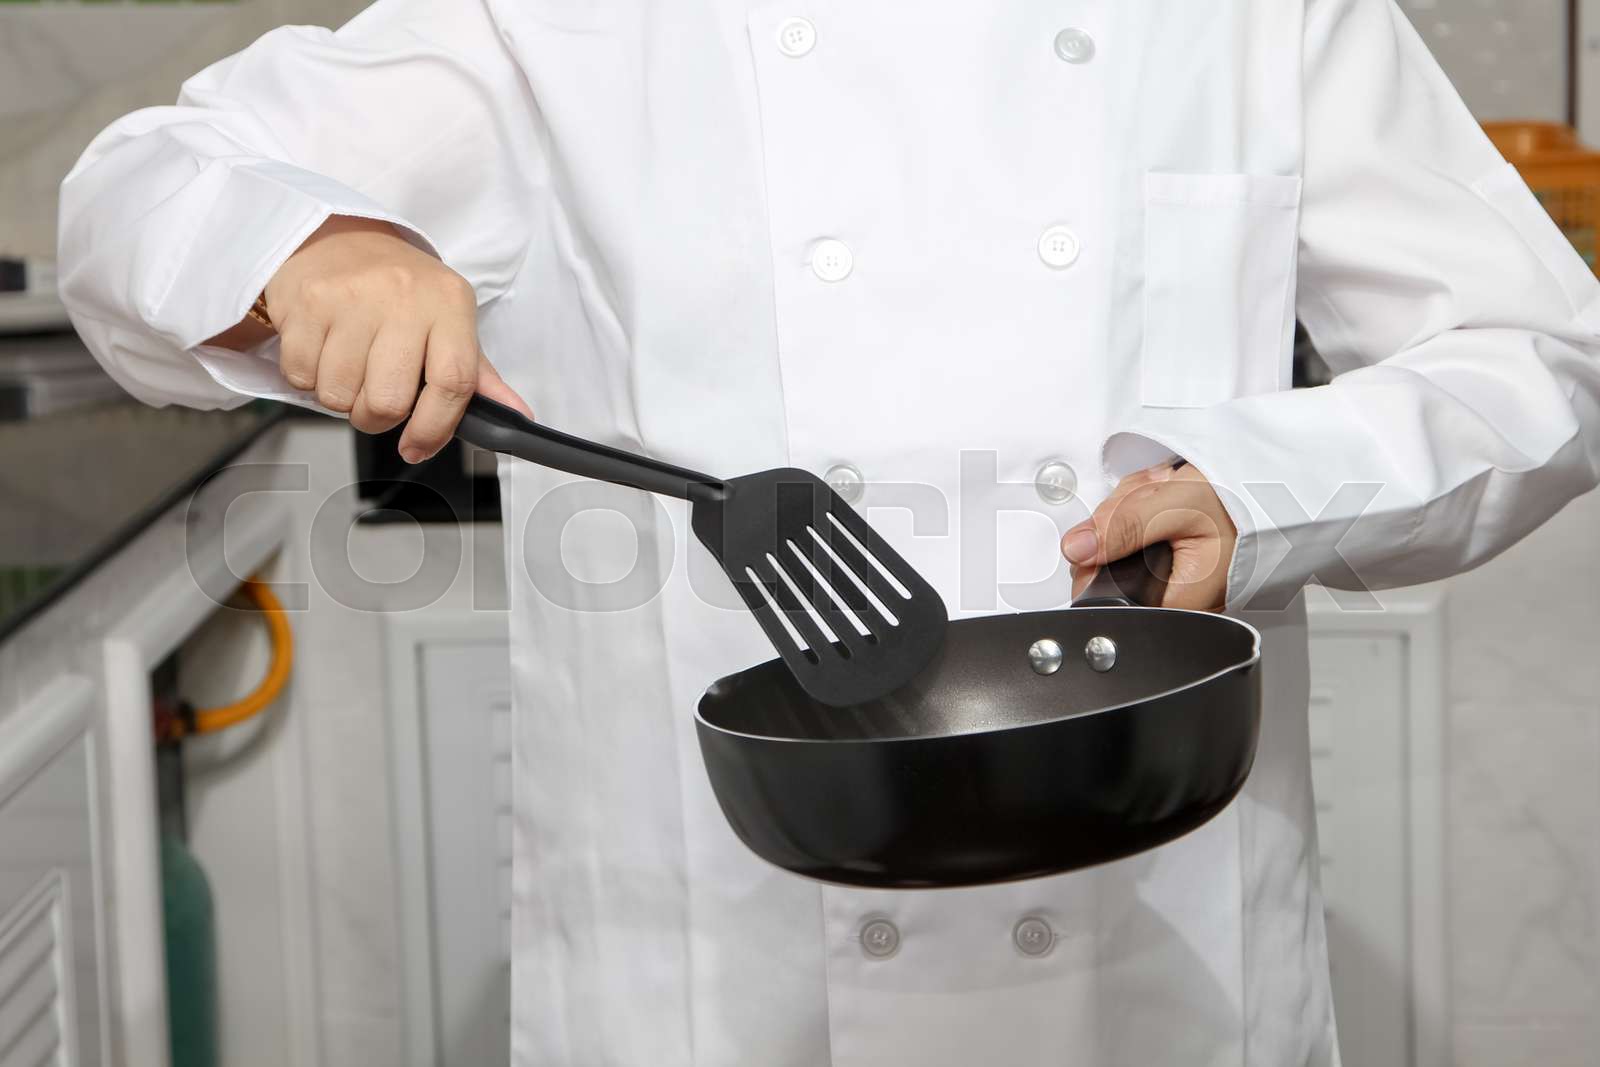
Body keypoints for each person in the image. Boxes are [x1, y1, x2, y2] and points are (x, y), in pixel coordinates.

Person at [58, 1, 1600, 1063]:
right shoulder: (558, 25)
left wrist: (1255, 485)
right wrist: (324, 246)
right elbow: (138, 188)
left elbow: (1542, 350)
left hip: (1161, 967)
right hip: (717, 980)